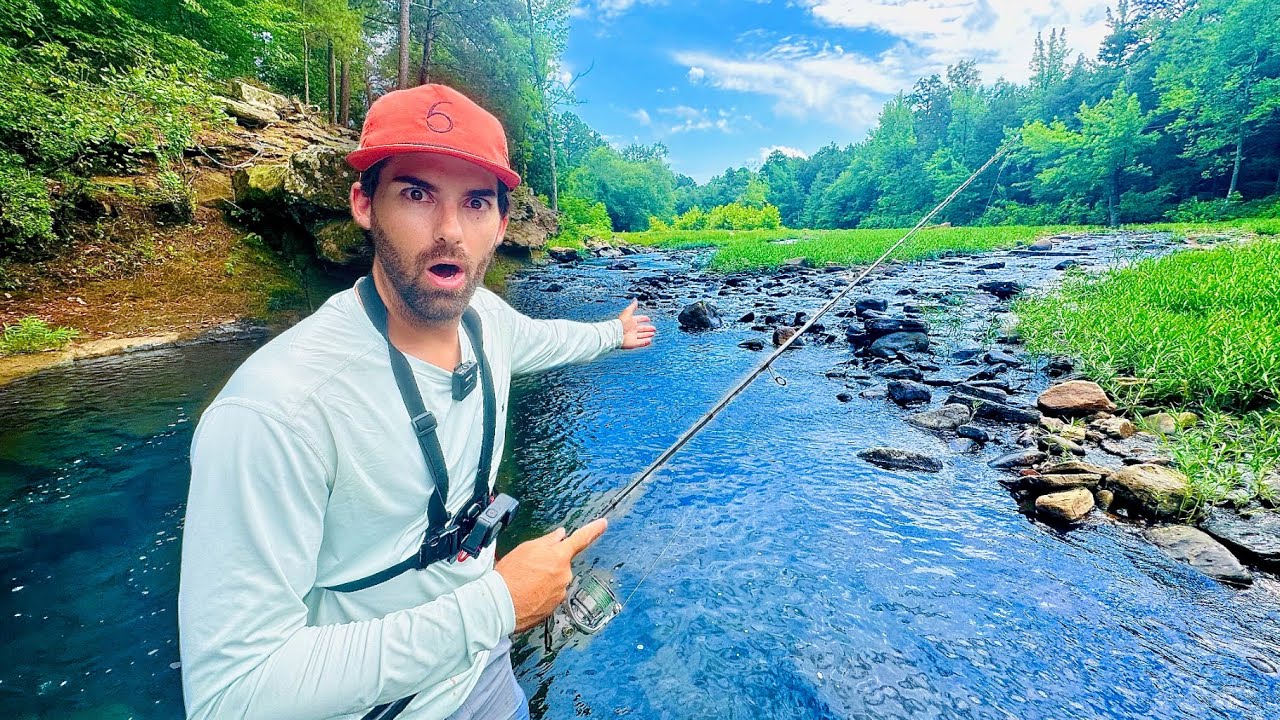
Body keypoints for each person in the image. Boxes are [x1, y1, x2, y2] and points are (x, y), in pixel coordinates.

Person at [178, 83, 656, 720]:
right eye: (416, 194)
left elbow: (549, 338)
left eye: (476, 202)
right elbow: (231, 697)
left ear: (502, 225)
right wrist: (496, 606)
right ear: (363, 204)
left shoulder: (489, 321)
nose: (450, 231)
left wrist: (612, 335)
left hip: (482, 673)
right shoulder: (276, 410)